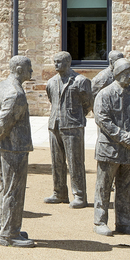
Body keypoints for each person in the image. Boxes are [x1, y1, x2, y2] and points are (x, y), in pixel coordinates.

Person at [0, 55, 36, 247]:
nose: (32, 71)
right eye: (29, 68)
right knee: (14, 190)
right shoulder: (16, 94)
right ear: (20, 69)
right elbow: (3, 121)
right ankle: (9, 234)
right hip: (14, 147)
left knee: (5, 188)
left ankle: (3, 227)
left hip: (3, 145)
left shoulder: (1, 86)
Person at [93, 58, 130, 237]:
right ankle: (100, 221)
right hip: (109, 149)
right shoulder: (104, 94)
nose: (129, 76)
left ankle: (124, 223)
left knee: (125, 187)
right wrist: (123, 136)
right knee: (104, 186)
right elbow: (102, 119)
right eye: (125, 73)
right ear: (116, 74)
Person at [43, 51, 93, 209]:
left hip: (73, 125)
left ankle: (79, 195)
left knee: (75, 161)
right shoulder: (51, 82)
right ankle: (59, 192)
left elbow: (88, 103)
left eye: (59, 61)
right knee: (56, 161)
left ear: (68, 62)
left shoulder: (80, 81)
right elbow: (52, 100)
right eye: (54, 61)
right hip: (54, 125)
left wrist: (75, 116)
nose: (56, 64)